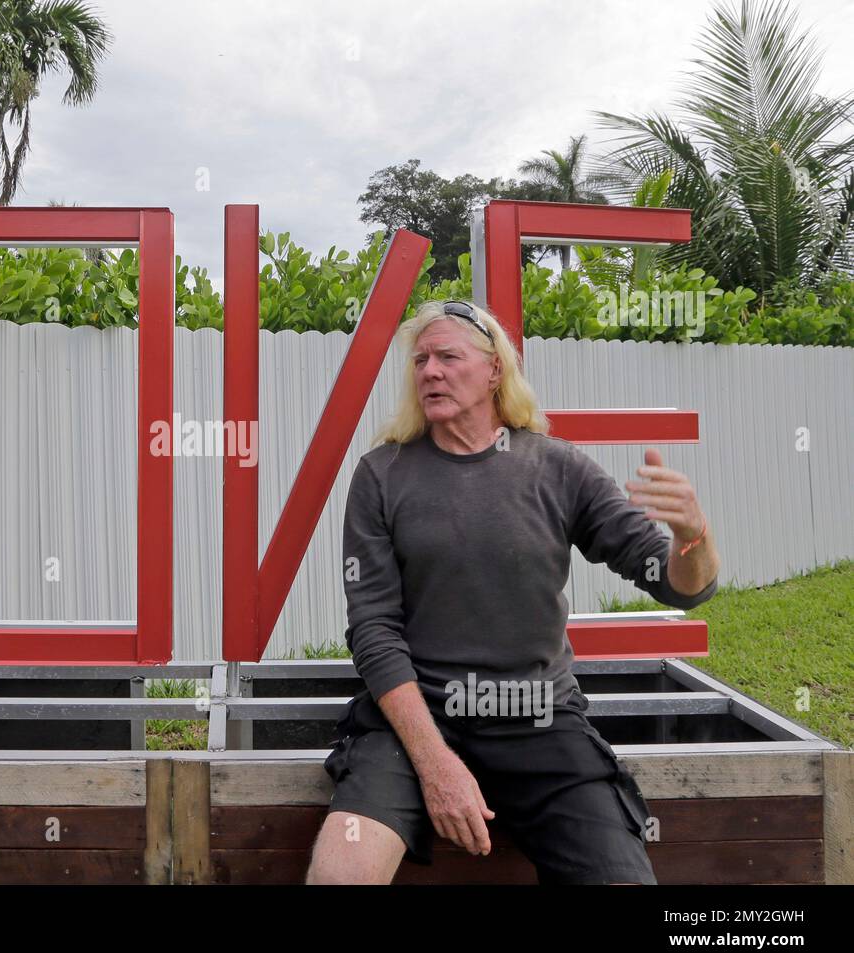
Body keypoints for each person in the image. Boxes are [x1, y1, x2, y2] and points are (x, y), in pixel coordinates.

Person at [305, 299, 720, 885]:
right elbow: (373, 631)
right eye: (420, 360)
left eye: (448, 356)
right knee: (339, 874)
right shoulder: (382, 475)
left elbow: (678, 586)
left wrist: (693, 536)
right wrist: (436, 765)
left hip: (539, 717)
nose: (430, 371)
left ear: (495, 368)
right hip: (415, 722)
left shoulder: (559, 469)